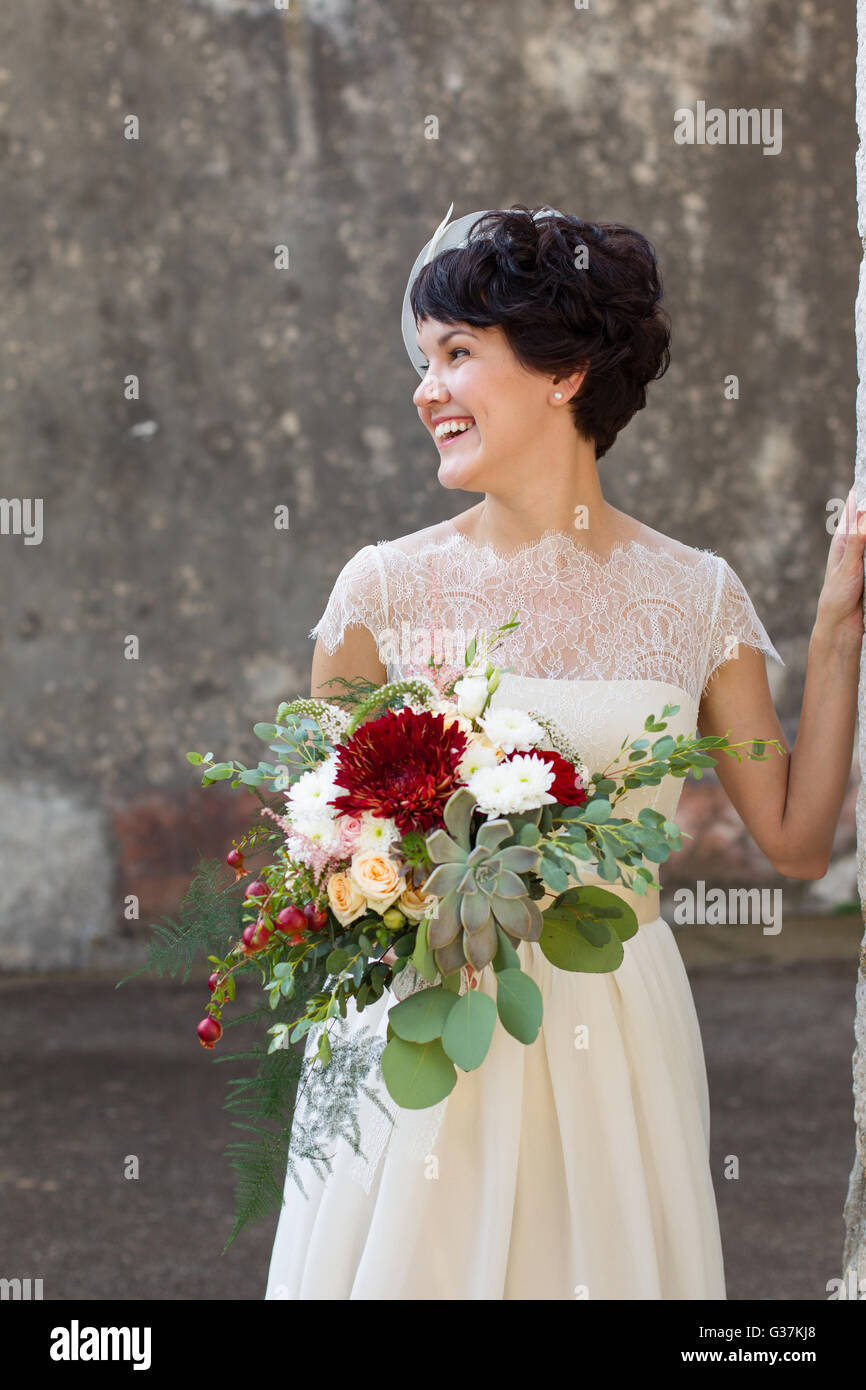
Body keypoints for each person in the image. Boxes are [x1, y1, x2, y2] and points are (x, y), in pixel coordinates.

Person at [265, 204, 866, 1299]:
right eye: (424, 358)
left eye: (457, 354)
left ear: (564, 373)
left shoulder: (696, 595)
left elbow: (790, 844)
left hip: (612, 1023)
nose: (425, 387)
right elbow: (329, 846)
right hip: (422, 1028)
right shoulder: (379, 592)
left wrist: (834, 631)